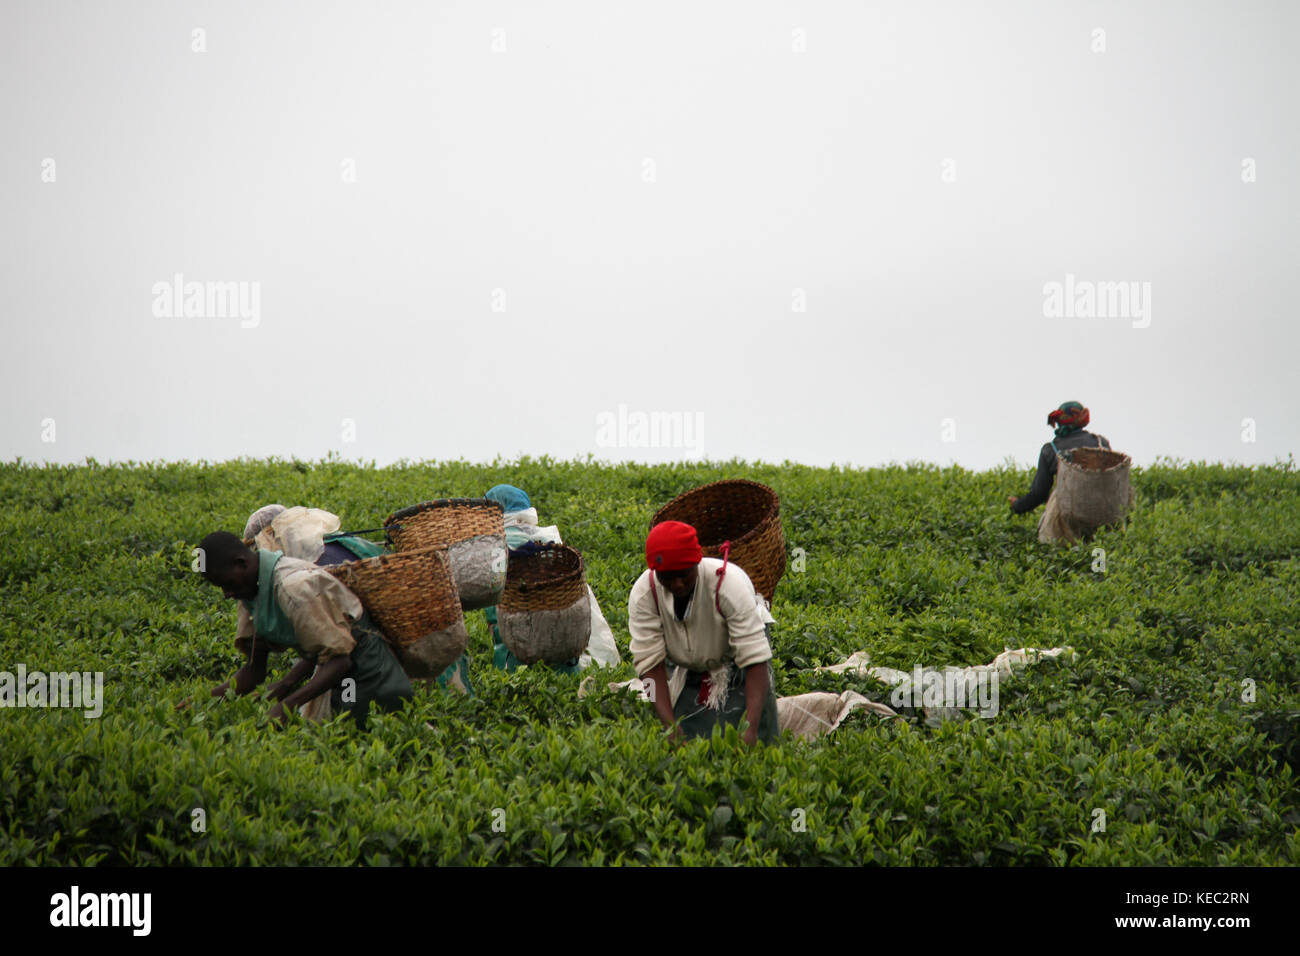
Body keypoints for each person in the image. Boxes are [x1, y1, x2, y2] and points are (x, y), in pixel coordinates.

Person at [244, 503, 473, 697]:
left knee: (427, 712)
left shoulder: (316, 565)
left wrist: (287, 687)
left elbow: (335, 641)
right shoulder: (330, 546)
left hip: (418, 644)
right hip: (421, 638)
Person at [196, 530, 412, 730]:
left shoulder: (295, 588)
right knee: (329, 732)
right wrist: (205, 699)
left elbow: (340, 660)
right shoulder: (251, 592)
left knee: (361, 734)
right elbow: (254, 670)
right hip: (332, 672)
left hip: (367, 674)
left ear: (240, 563)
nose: (226, 593)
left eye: (225, 583)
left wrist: (288, 703)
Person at [628, 520, 779, 745]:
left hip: (737, 660)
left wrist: (751, 727)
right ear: (655, 571)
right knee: (691, 740)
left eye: (684, 574)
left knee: (751, 738)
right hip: (687, 662)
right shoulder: (644, 595)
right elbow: (649, 667)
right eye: (667, 577)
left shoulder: (728, 585)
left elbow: (755, 660)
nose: (677, 584)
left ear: (697, 563)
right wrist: (670, 727)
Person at [482, 484, 621, 674]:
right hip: (563, 655)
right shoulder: (549, 542)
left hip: (515, 658)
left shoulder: (495, 549)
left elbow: (494, 608)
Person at [1008, 401, 1111, 515]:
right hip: (1105, 509)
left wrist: (1018, 505)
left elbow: (1039, 494)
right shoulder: (1100, 443)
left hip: (1070, 514)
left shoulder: (1051, 450)